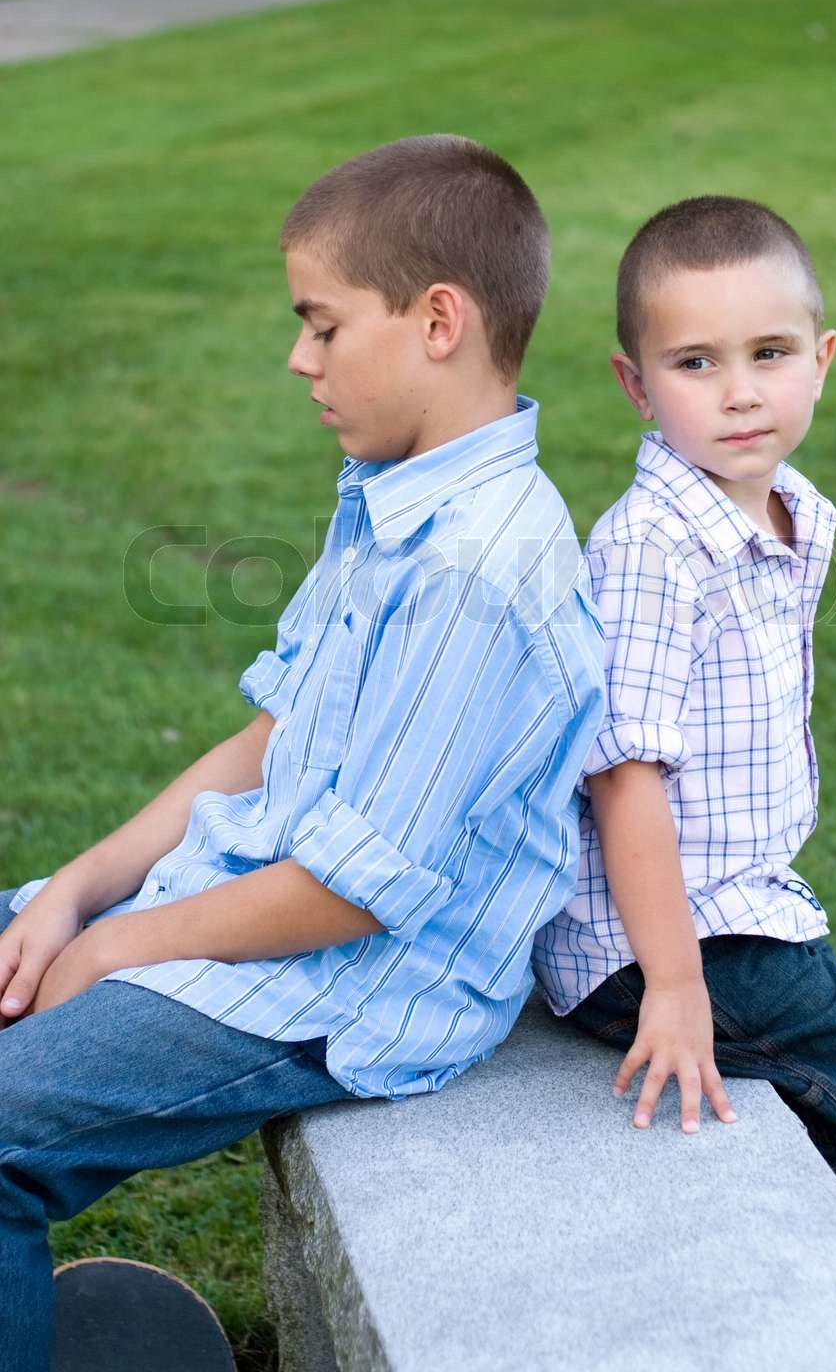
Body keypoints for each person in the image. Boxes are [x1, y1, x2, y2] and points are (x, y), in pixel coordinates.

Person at [0, 135, 606, 1370]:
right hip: (241, 903)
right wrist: (79, 886)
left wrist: (117, 944)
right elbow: (268, 737)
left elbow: (349, 893)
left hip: (344, 987)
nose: (298, 357)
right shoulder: (391, 494)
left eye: (322, 325)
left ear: (437, 319)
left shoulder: (476, 576)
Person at [533, 194, 836, 1276]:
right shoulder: (649, 548)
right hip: (661, 937)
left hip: (731, 898)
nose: (738, 393)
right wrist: (674, 986)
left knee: (832, 1101)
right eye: (693, 363)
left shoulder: (787, 512)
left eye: (767, 353)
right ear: (634, 384)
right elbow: (622, 778)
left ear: (819, 359)